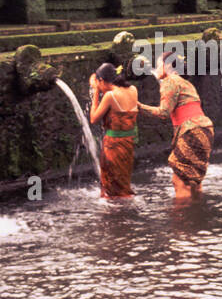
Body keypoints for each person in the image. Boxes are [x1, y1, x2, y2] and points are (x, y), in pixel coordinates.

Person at [139, 51, 214, 200]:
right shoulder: (186, 83)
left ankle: (182, 220)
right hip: (205, 129)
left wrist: (139, 106)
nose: (157, 68)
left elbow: (164, 112)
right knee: (193, 181)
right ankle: (197, 214)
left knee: (179, 181)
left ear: (167, 66)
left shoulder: (170, 80)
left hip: (191, 129)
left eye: (158, 64)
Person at [88, 62, 139, 199]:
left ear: (102, 81)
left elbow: (93, 118)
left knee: (112, 187)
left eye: (99, 83)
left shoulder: (110, 96)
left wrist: (96, 92)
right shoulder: (133, 89)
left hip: (113, 146)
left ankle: (116, 216)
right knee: (122, 182)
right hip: (128, 144)